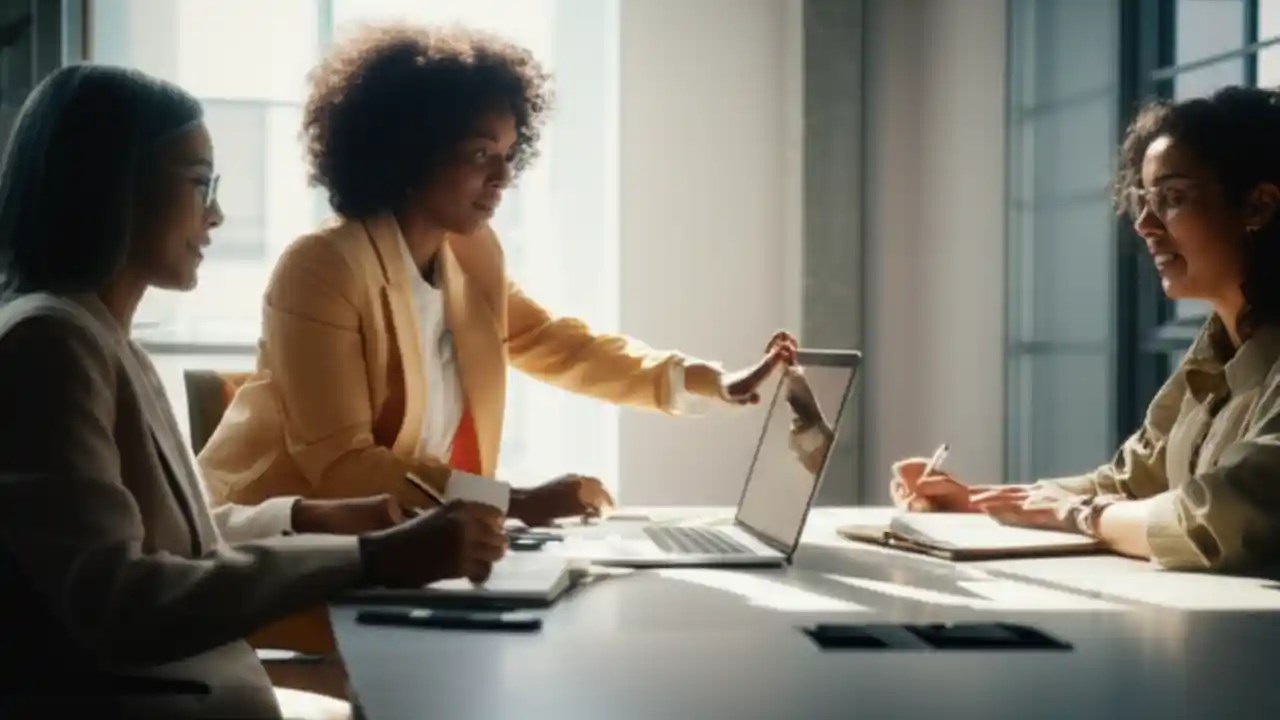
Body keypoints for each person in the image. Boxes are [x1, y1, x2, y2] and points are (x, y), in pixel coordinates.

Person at [0, 64, 506, 719]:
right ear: (111, 184)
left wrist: (302, 518)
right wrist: (368, 557)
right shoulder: (50, 344)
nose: (216, 213)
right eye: (199, 182)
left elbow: (168, 547)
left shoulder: (100, 338)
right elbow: (116, 602)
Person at [199, 25, 795, 549]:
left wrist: (709, 381)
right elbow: (341, 468)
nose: (504, 176)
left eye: (509, 153)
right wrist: (513, 501)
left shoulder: (469, 254)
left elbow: (559, 344)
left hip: (398, 544)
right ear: (409, 153)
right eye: (481, 154)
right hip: (273, 551)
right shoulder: (322, 268)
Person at [889, 86, 1280, 574]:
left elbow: (1214, 520)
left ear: (1258, 207)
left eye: (1173, 198)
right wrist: (978, 502)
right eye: (1144, 199)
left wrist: (1080, 516)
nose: (1144, 223)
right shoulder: (1216, 350)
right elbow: (1128, 483)